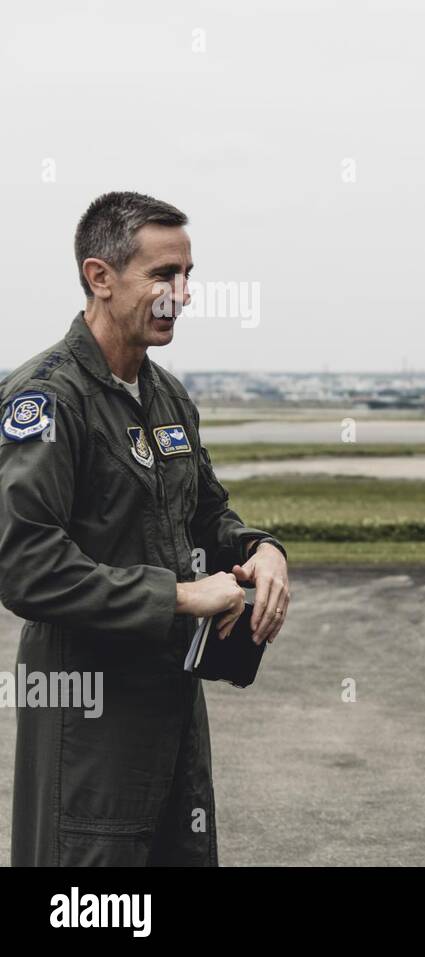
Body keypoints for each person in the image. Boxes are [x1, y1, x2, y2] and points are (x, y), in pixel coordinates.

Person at [0, 191, 291, 866]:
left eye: (187, 275)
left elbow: (207, 514)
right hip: (89, 717)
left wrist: (261, 549)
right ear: (100, 277)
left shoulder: (166, 396)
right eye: (163, 275)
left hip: (173, 707)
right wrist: (182, 596)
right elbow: (25, 566)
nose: (181, 294)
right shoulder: (48, 399)